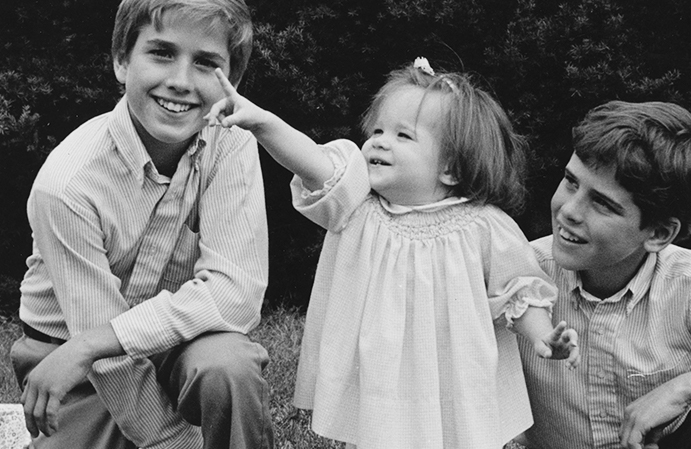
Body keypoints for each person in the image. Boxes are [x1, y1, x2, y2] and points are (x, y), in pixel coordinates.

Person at [205, 58, 580, 448]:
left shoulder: (483, 226)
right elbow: (313, 162)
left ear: (450, 167)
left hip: (455, 379)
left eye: (404, 136)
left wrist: (541, 337)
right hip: (380, 375)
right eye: (379, 129)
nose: (380, 141)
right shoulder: (359, 207)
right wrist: (263, 123)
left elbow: (518, 289)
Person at [10, 0, 273, 448]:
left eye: (206, 63)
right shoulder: (69, 182)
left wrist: (96, 341)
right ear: (121, 60)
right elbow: (104, 360)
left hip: (170, 347)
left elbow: (236, 296)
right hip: (70, 363)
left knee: (227, 365)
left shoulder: (231, 146)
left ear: (233, 82)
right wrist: (179, 445)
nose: (181, 82)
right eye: (162, 53)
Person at [517, 100, 691, 449]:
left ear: (659, 234)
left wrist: (682, 389)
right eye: (571, 182)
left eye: (603, 204)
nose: (570, 211)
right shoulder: (520, 273)